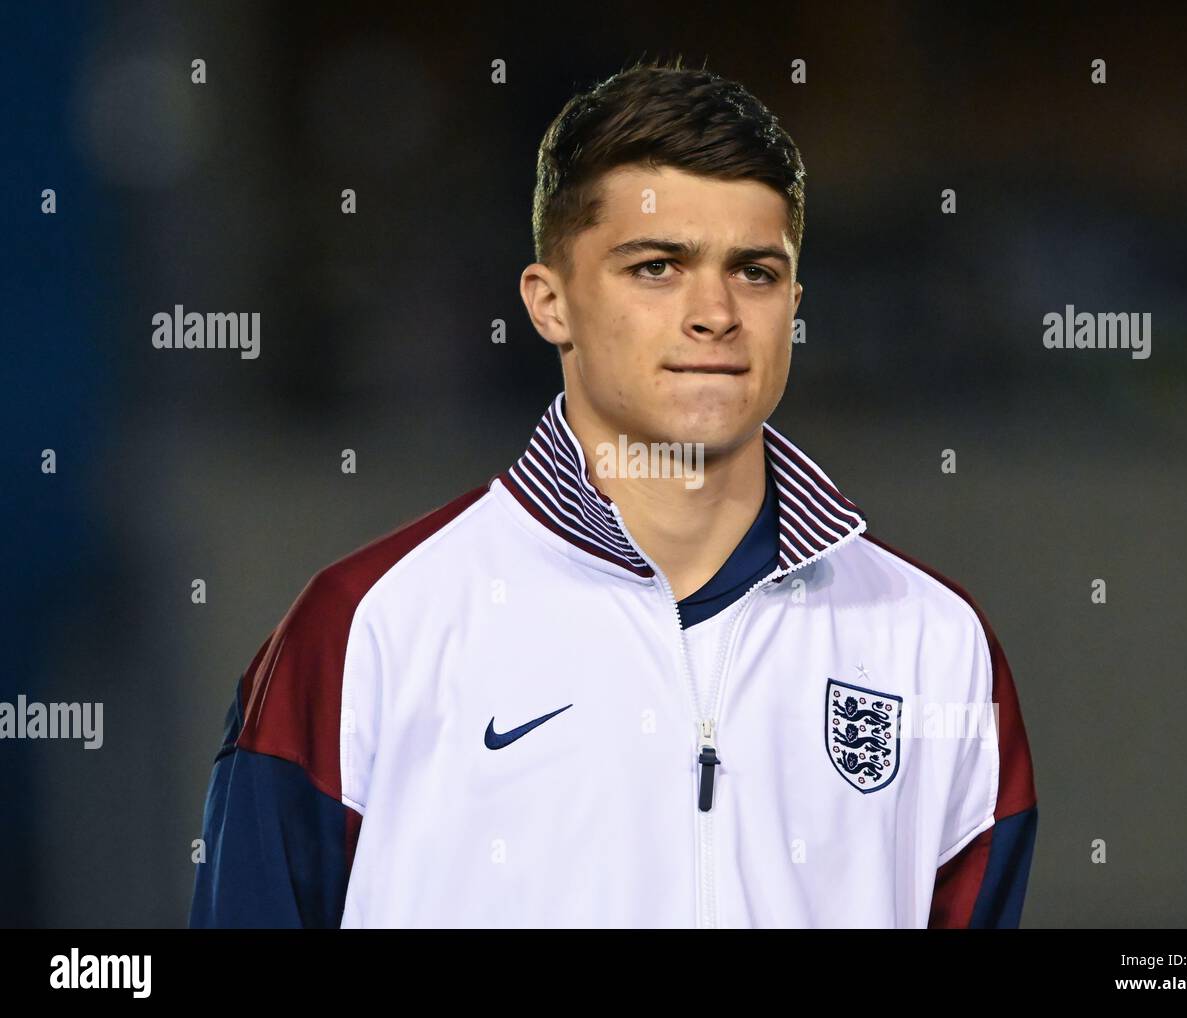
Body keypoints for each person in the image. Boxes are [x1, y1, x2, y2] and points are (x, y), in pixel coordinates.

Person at [189, 58, 1037, 929]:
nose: (715, 312)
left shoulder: (933, 643)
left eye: (755, 271)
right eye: (657, 268)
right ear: (549, 303)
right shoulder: (368, 630)